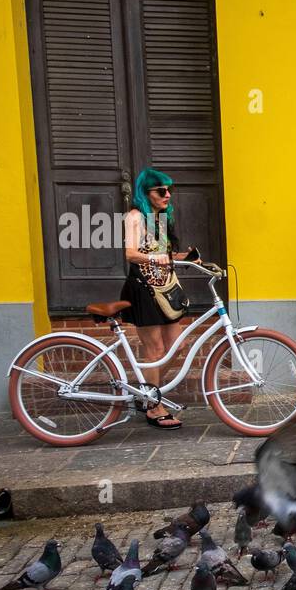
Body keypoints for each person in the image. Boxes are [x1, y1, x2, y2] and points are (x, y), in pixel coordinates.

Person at [119, 167, 199, 429]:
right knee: (155, 351)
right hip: (143, 289)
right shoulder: (135, 217)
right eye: (161, 191)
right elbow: (131, 254)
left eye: (169, 190)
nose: (167, 195)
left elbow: (164, 254)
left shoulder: (161, 219)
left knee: (177, 348)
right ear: (146, 192)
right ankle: (154, 405)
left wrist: (186, 258)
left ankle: (146, 391)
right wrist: (155, 258)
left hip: (167, 289)